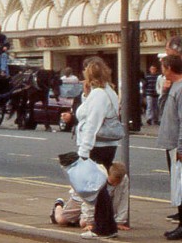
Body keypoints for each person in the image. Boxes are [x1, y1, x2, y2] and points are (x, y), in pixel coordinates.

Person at [74, 56, 120, 239]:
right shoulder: (107, 91)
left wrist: (83, 152)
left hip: (98, 146)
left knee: (97, 189)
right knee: (100, 188)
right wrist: (86, 94)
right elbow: (86, 111)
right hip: (107, 145)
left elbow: (92, 124)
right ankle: (109, 226)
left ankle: (104, 228)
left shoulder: (99, 95)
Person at [51, 162, 130, 232]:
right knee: (61, 220)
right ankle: (58, 205)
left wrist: (120, 222)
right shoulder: (97, 178)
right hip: (81, 198)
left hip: (99, 201)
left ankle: (80, 217)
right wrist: (90, 222)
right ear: (108, 174)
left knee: (83, 223)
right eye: (112, 182)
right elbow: (88, 201)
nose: (115, 184)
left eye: (118, 183)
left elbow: (123, 200)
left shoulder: (124, 179)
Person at [158, 54, 182, 237]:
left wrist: (181, 147)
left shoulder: (181, 88)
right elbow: (163, 109)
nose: (161, 71)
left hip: (177, 144)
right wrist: (164, 92)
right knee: (177, 186)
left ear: (170, 68)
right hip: (171, 143)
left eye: (163, 67)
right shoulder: (173, 86)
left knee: (180, 186)